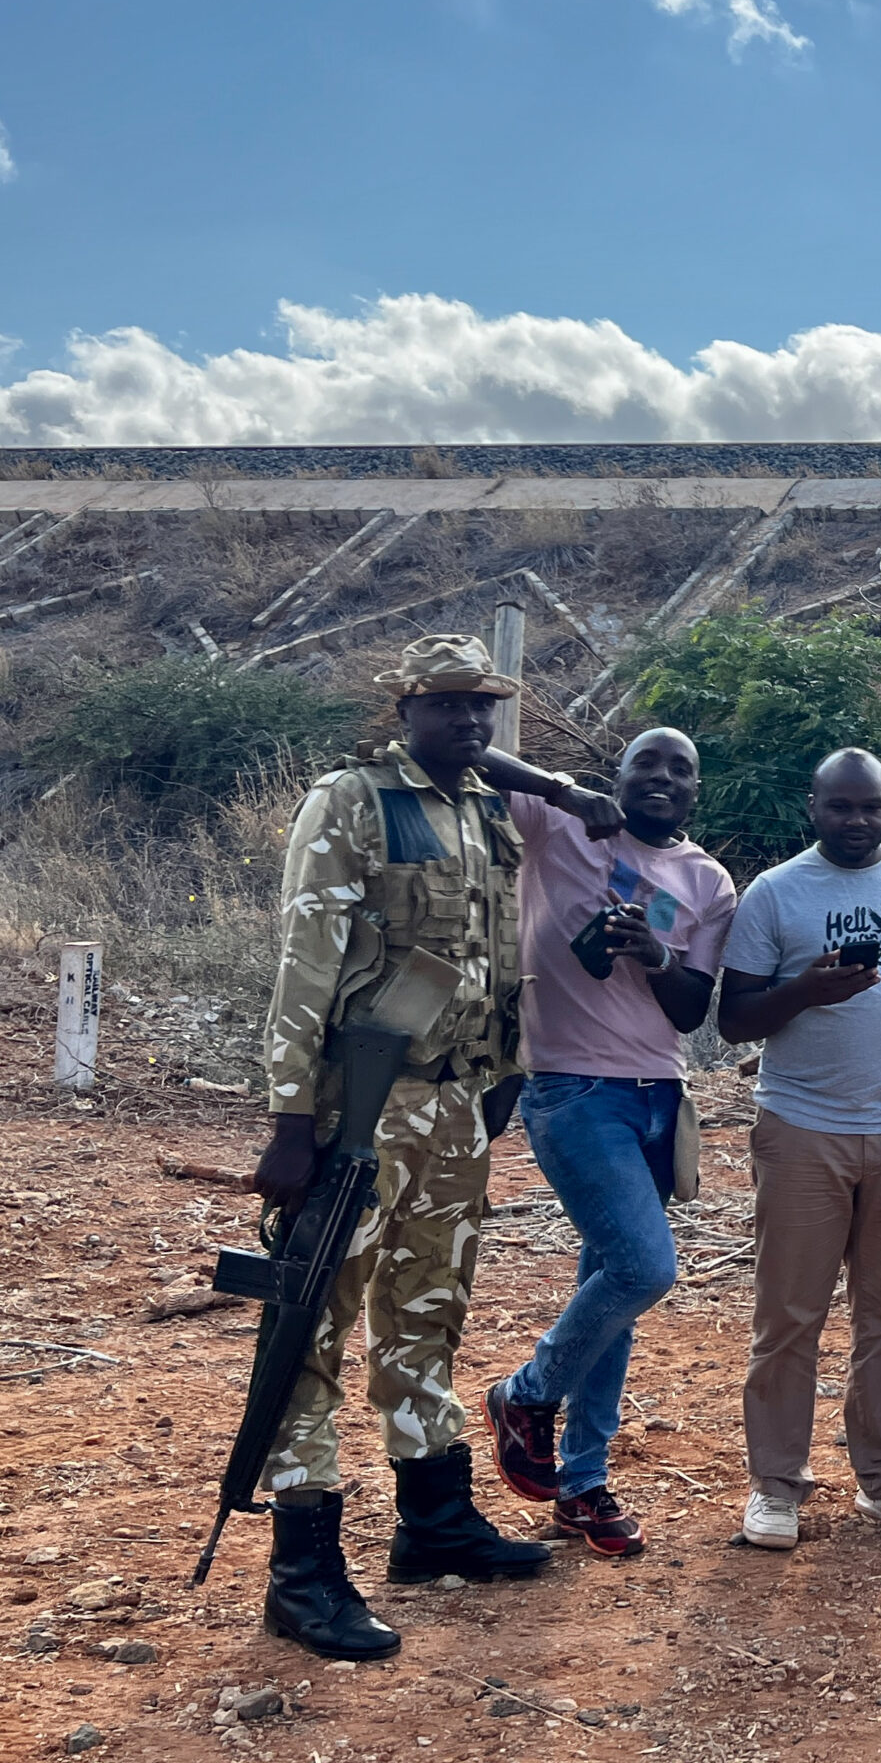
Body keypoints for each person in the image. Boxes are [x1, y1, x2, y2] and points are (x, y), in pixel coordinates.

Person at [250, 634, 551, 1663]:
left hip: (455, 1103)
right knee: (316, 1326)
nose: (470, 721)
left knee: (429, 1309)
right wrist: (292, 1120)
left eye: (484, 707)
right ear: (406, 707)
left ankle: (434, 1523)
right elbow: (306, 963)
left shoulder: (484, 811)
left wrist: (504, 1069)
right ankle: (303, 1573)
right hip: (359, 1110)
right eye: (450, 704)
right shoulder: (355, 801)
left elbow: (497, 954)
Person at [477, 728, 737, 1557]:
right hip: (570, 1088)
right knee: (643, 1266)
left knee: (613, 1292)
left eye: (681, 767)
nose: (663, 777)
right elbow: (473, 754)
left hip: (658, 1094)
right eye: (646, 764)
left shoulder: (707, 880)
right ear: (617, 778)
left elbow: (693, 1010)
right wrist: (561, 789)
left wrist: (657, 952)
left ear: (697, 790)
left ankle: (582, 1486)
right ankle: (525, 1392)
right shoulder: (563, 828)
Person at [717, 748, 881, 1550]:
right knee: (789, 1315)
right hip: (802, 1128)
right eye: (841, 808)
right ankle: (775, 1489)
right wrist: (805, 992)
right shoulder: (776, 893)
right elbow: (735, 1020)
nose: (857, 821)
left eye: (872, 808)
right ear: (813, 807)